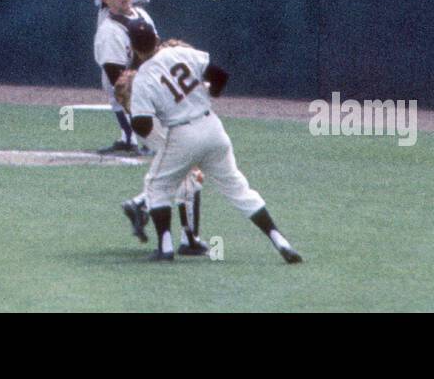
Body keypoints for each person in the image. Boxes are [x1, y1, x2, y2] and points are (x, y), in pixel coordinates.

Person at [120, 21, 303, 264]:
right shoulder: (181, 52)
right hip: (212, 127)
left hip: (181, 134)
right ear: (156, 36)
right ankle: (279, 238)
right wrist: (209, 93)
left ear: (132, 48)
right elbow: (219, 75)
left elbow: (142, 124)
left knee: (156, 187)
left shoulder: (143, 77)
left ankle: (165, 247)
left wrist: (156, 116)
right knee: (238, 188)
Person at [94, 0, 208, 256]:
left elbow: (153, 54)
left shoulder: (142, 15)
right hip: (144, 109)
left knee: (186, 166)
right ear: (106, 0)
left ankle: (155, 214)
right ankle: (180, 233)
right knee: (188, 165)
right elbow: (119, 80)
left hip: (163, 103)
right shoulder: (108, 32)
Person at [76, 0, 162, 154]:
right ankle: (128, 136)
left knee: (149, 73)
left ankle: (152, 134)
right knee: (112, 79)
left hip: (138, 13)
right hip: (109, 17)